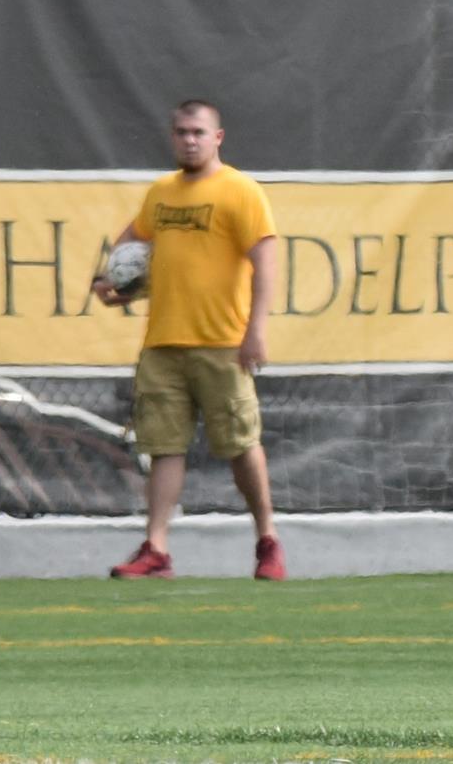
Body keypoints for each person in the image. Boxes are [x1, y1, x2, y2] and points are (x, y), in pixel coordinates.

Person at [98, 100, 285, 581]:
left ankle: (267, 540)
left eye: (199, 132)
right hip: (163, 343)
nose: (190, 140)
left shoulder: (240, 191)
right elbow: (131, 244)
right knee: (164, 448)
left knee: (241, 445)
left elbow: (265, 260)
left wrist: (256, 330)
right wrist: (112, 281)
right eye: (182, 132)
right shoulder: (161, 192)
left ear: (217, 137)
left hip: (223, 342)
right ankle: (156, 549)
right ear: (173, 136)